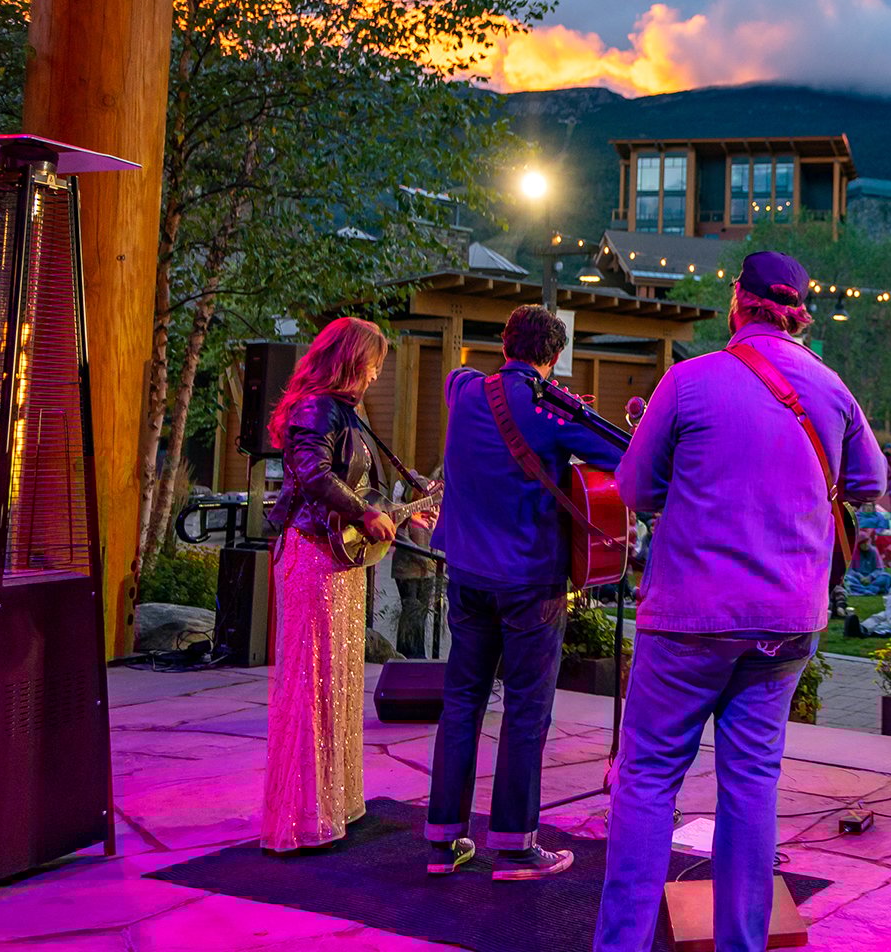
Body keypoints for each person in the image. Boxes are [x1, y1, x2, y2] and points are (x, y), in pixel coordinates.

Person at [596, 252, 888, 951]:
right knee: (753, 784)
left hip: (690, 619)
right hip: (788, 622)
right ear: (798, 312)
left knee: (645, 779)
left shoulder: (689, 380)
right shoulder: (831, 386)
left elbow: (634, 489)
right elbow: (869, 482)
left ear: (738, 300)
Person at [422, 306, 627, 877]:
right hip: (528, 579)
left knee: (461, 703)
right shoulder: (548, 408)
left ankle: (443, 842)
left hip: (465, 574)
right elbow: (622, 458)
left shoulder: (464, 390)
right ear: (554, 355)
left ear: (505, 343)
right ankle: (513, 844)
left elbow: (455, 379)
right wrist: (568, 407)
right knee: (525, 711)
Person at [261, 317, 400, 853]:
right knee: (310, 684)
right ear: (348, 359)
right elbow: (314, 476)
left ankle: (331, 805)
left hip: (336, 558)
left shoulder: (345, 411)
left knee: (336, 682)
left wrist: (395, 513)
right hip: (311, 555)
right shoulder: (317, 407)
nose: (375, 373)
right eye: (372, 363)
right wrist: (365, 511)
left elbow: (358, 485)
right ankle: (298, 817)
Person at [392, 469, 441, 659]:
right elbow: (402, 538)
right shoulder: (404, 510)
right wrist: (425, 558)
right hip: (407, 570)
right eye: (419, 489)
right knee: (410, 612)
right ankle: (408, 653)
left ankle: (418, 653)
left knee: (421, 614)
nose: (423, 493)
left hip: (427, 572)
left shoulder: (429, 513)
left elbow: (433, 538)